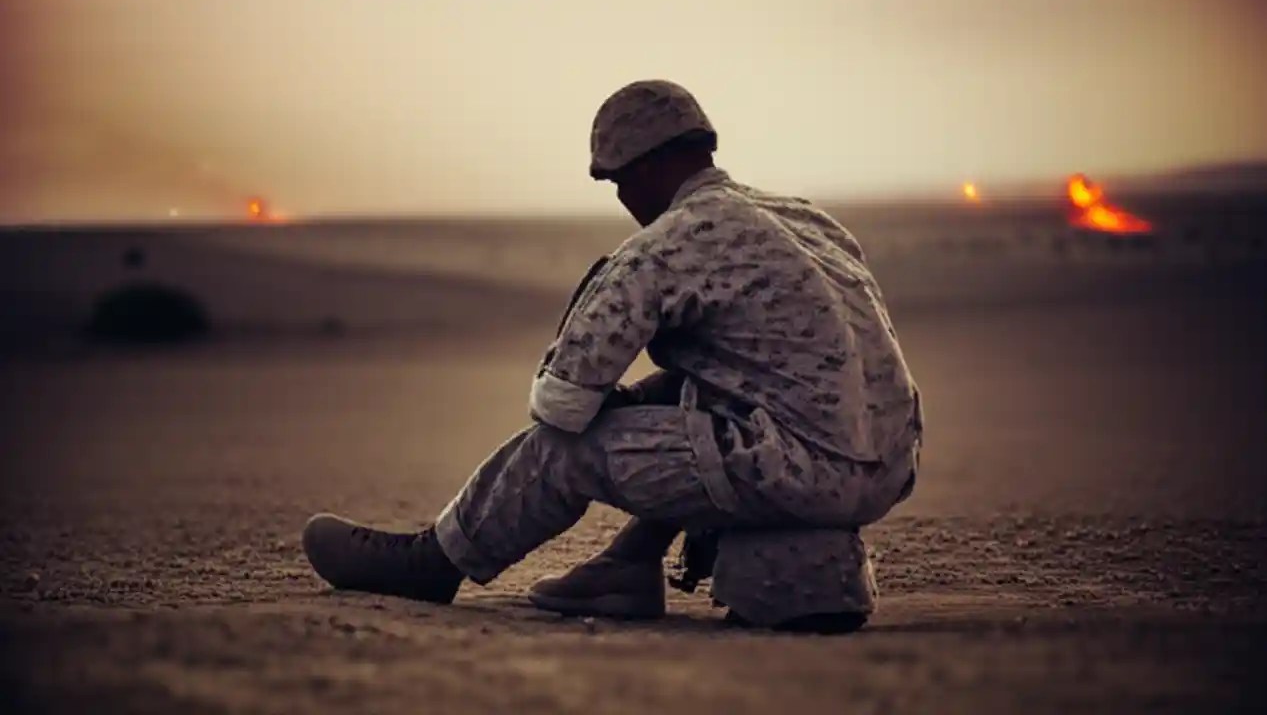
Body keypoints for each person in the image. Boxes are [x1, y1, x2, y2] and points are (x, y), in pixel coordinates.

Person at [302, 79, 923, 633]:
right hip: (885, 467)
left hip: (792, 467)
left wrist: (608, 360)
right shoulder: (811, 222)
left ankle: (432, 563)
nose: (623, 198)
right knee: (702, 398)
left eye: (618, 181)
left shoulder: (669, 241)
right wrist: (661, 392)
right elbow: (782, 373)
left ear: (646, 165)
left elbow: (563, 404)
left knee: (566, 450)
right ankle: (629, 564)